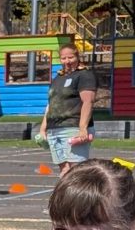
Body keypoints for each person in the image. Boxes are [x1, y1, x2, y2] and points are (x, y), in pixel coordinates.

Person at [41, 40, 96, 170]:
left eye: (70, 57)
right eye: (63, 58)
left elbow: (88, 102)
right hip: (55, 128)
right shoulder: (58, 78)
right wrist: (44, 127)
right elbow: (51, 104)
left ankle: (78, 191)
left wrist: (83, 128)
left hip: (73, 127)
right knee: (64, 169)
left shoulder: (84, 75)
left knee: (76, 169)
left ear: (78, 57)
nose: (67, 61)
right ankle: (64, 191)